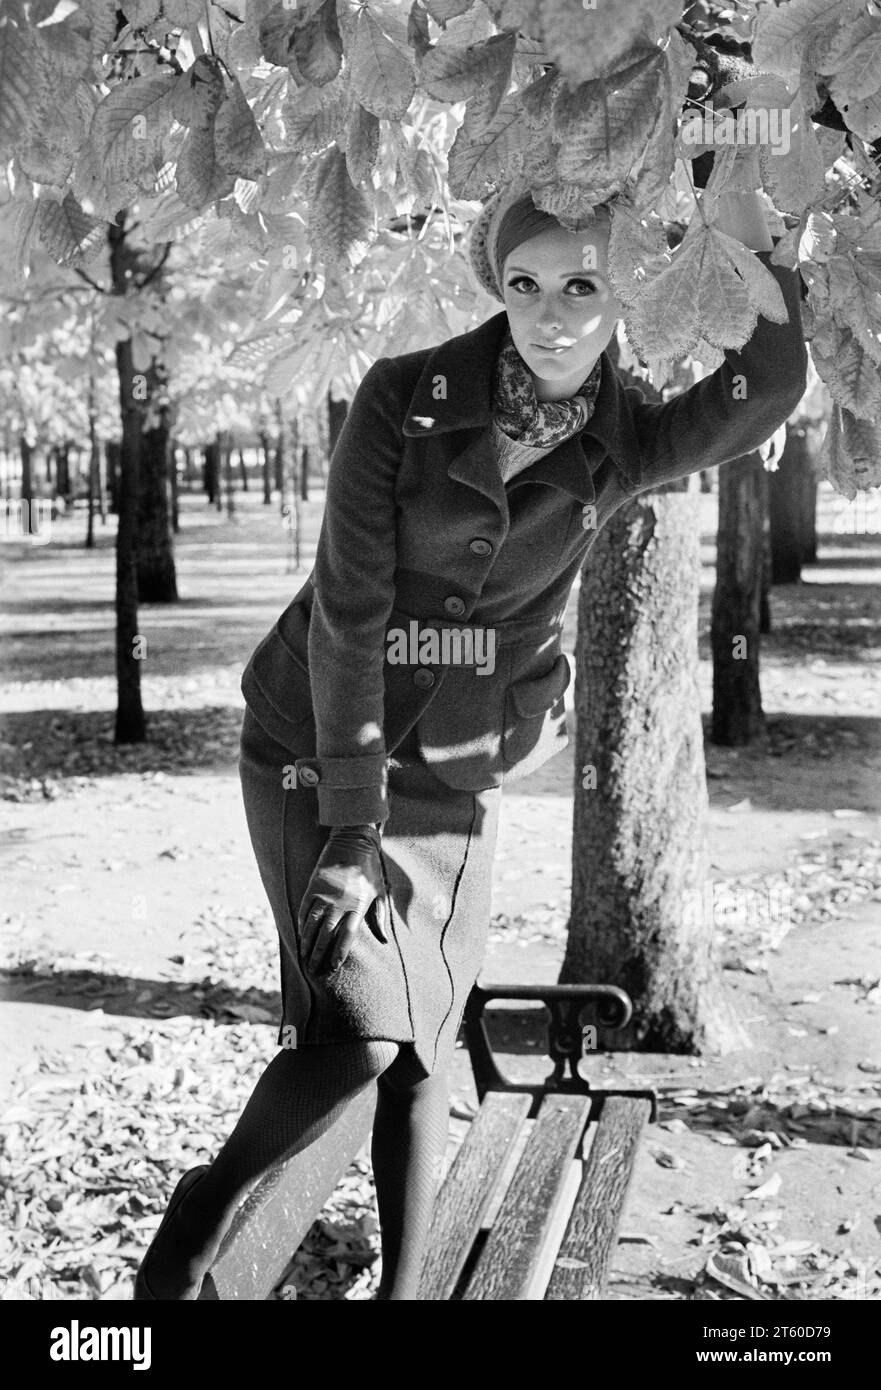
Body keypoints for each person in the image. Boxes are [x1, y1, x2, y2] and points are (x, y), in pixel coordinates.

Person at [134, 164, 807, 1301]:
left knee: (423, 1045)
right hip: (316, 748)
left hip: (454, 772)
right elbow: (349, 611)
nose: (551, 313)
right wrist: (351, 826)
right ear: (496, 283)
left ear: (622, 293)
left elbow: (764, 386)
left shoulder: (625, 441)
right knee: (360, 1031)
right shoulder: (400, 399)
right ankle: (206, 1208)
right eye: (524, 282)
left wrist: (755, 241)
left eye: (582, 284)